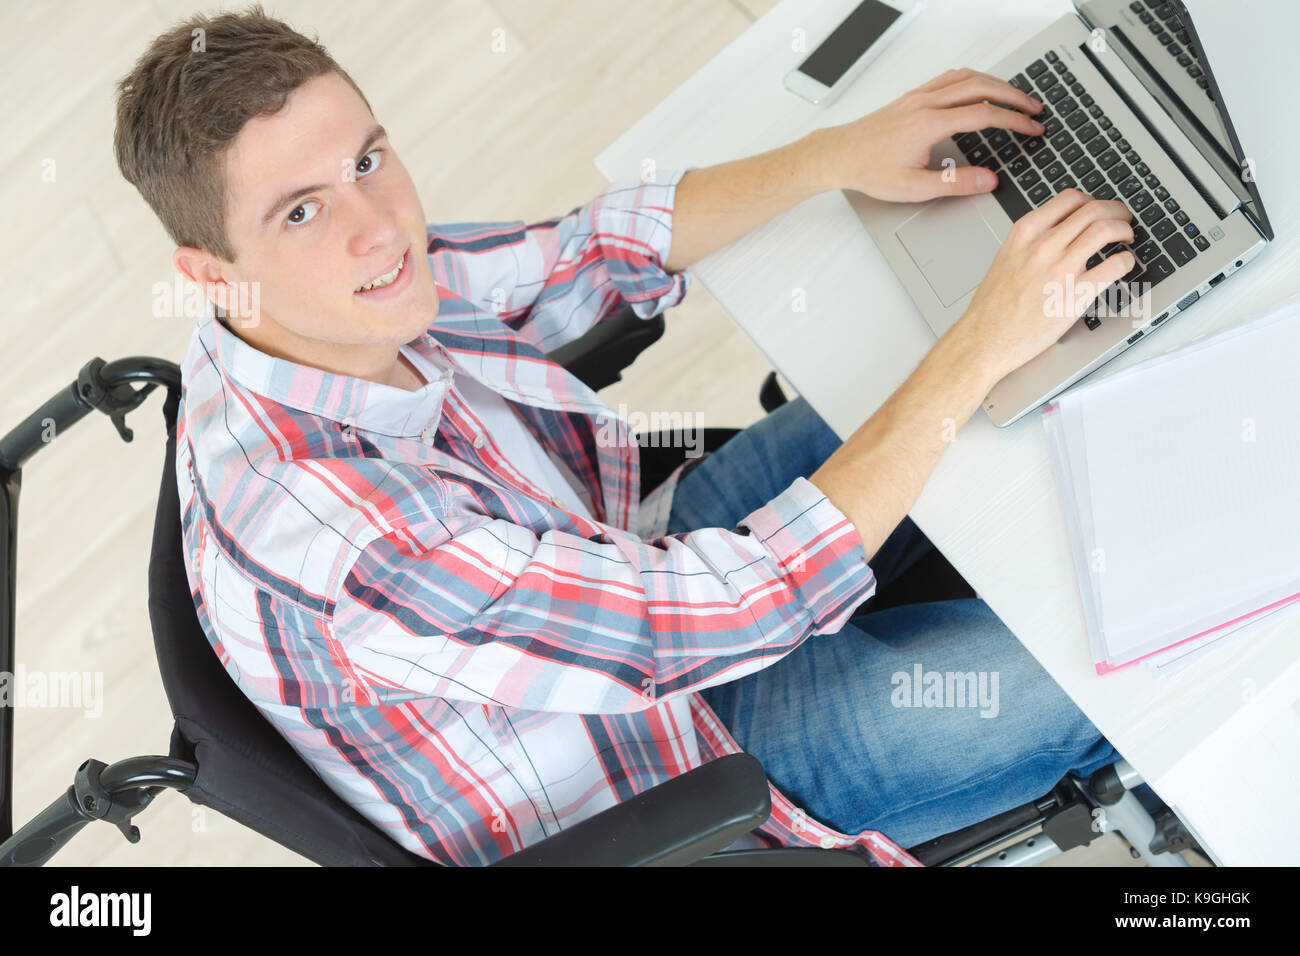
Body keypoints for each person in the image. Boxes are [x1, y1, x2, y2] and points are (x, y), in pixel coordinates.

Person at [113, 4, 1141, 866]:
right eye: (300, 212)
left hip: (626, 565)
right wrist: (973, 350)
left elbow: (578, 255)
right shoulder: (345, 536)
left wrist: (837, 152)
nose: (378, 225)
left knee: (965, 354)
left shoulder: (323, 305)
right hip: (690, 765)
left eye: (368, 158)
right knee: (1131, 661)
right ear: (211, 270)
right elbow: (716, 611)